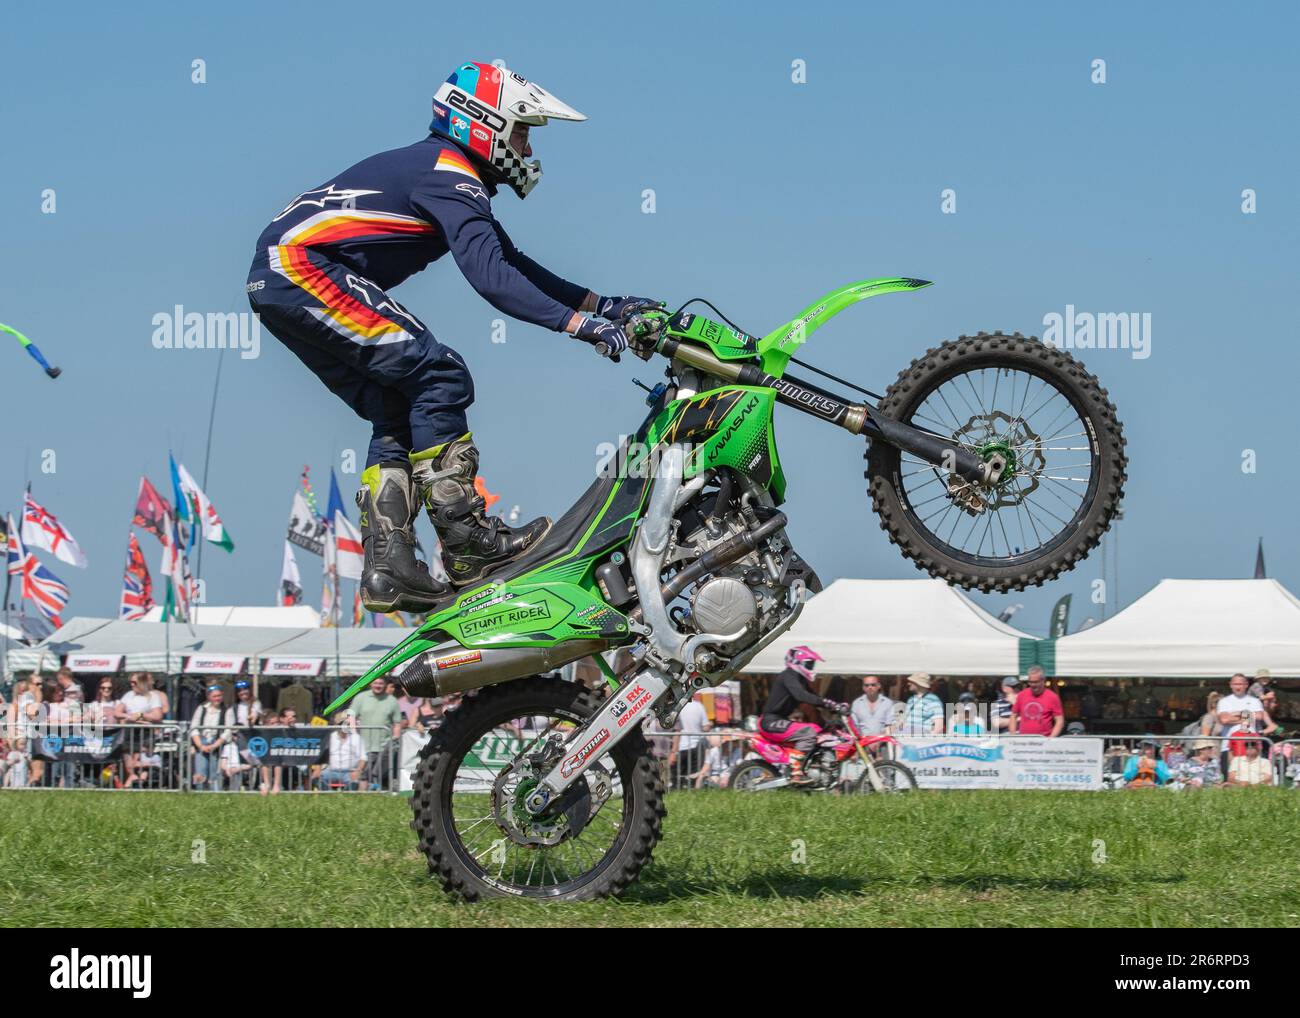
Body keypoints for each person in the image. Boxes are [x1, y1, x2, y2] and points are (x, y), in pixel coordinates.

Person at [246, 60, 656, 611]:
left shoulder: (444, 174)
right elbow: (493, 279)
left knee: (397, 406)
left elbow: (509, 261)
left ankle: (390, 568)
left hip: (281, 281)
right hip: (301, 270)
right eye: (523, 132)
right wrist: (582, 326)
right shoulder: (450, 172)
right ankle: (466, 542)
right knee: (440, 373)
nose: (529, 150)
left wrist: (600, 304)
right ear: (482, 122)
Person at [758, 646, 846, 784]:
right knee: (809, 731)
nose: (811, 667)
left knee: (819, 730)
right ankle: (796, 772)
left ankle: (810, 767)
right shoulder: (789, 675)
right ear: (798, 662)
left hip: (778, 721)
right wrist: (827, 703)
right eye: (809, 664)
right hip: (770, 721)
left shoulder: (800, 679)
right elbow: (801, 695)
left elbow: (814, 698)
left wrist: (835, 706)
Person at [351, 677, 404, 790]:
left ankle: (379, 796)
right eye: (375, 683)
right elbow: (351, 716)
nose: (378, 685)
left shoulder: (392, 700)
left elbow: (397, 723)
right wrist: (354, 733)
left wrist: (395, 738)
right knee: (364, 774)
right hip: (365, 745)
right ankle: (362, 798)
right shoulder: (361, 697)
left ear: (385, 685)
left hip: (385, 745)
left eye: (381, 683)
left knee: (380, 775)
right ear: (370, 683)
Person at [189, 683, 231, 791]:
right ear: (209, 697)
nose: (217, 698)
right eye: (214, 696)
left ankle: (215, 793)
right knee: (200, 771)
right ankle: (200, 793)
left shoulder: (227, 710)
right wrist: (200, 745)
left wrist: (215, 745)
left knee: (215, 772)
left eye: (219, 695)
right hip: (202, 742)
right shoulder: (201, 708)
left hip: (217, 743)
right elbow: (194, 728)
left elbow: (228, 730)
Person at [669, 693, 710, 789]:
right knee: (692, 777)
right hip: (695, 746)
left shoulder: (676, 707)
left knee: (676, 778)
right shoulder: (699, 706)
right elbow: (706, 727)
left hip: (678, 747)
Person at [1011, 666, 1065, 737]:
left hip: (1044, 741)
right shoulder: (1021, 695)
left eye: (1036, 682)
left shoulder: (1052, 697)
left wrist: (1051, 739)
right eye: (1031, 682)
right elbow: (1013, 716)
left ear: (1043, 680)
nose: (1033, 685)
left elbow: (1059, 721)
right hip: (1023, 742)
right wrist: (1013, 736)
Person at [321, 712, 370, 790]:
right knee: (319, 777)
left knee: (355, 781)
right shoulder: (330, 737)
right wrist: (318, 768)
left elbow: (363, 758)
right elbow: (322, 755)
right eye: (341, 724)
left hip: (350, 772)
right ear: (336, 725)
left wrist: (358, 771)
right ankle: (330, 796)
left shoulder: (356, 738)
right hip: (331, 771)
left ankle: (346, 796)